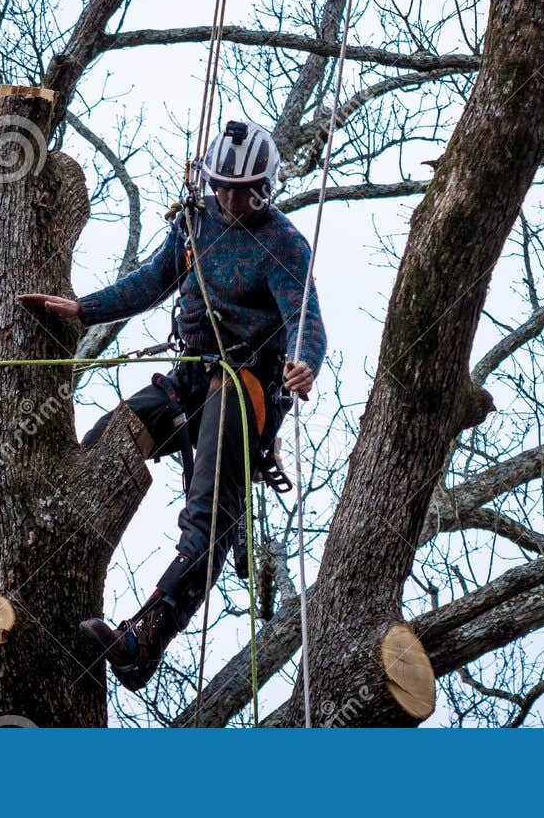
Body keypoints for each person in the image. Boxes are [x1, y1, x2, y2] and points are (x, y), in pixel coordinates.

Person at [17, 119, 325, 690]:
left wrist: (303, 362)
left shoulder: (283, 244)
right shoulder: (194, 221)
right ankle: (55, 551)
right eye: (222, 186)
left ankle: (145, 640)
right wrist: (83, 309)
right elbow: (151, 282)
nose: (231, 198)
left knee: (210, 519)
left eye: (246, 188)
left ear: (268, 185)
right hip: (188, 379)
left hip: (241, 388)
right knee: (107, 439)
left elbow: (305, 320)